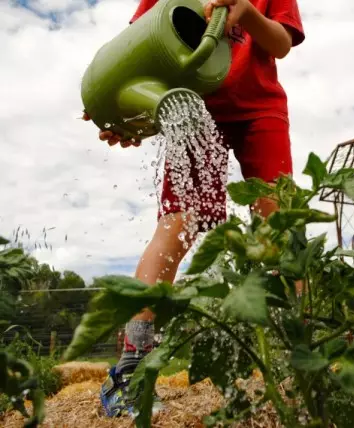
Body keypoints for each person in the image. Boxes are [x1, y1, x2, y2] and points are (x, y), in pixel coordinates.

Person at [82, 0, 304, 417]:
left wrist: (248, 13)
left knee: (280, 223)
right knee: (179, 223)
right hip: (189, 108)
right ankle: (133, 363)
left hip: (261, 109)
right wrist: (124, 109)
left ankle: (299, 356)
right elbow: (138, 49)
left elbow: (280, 45)